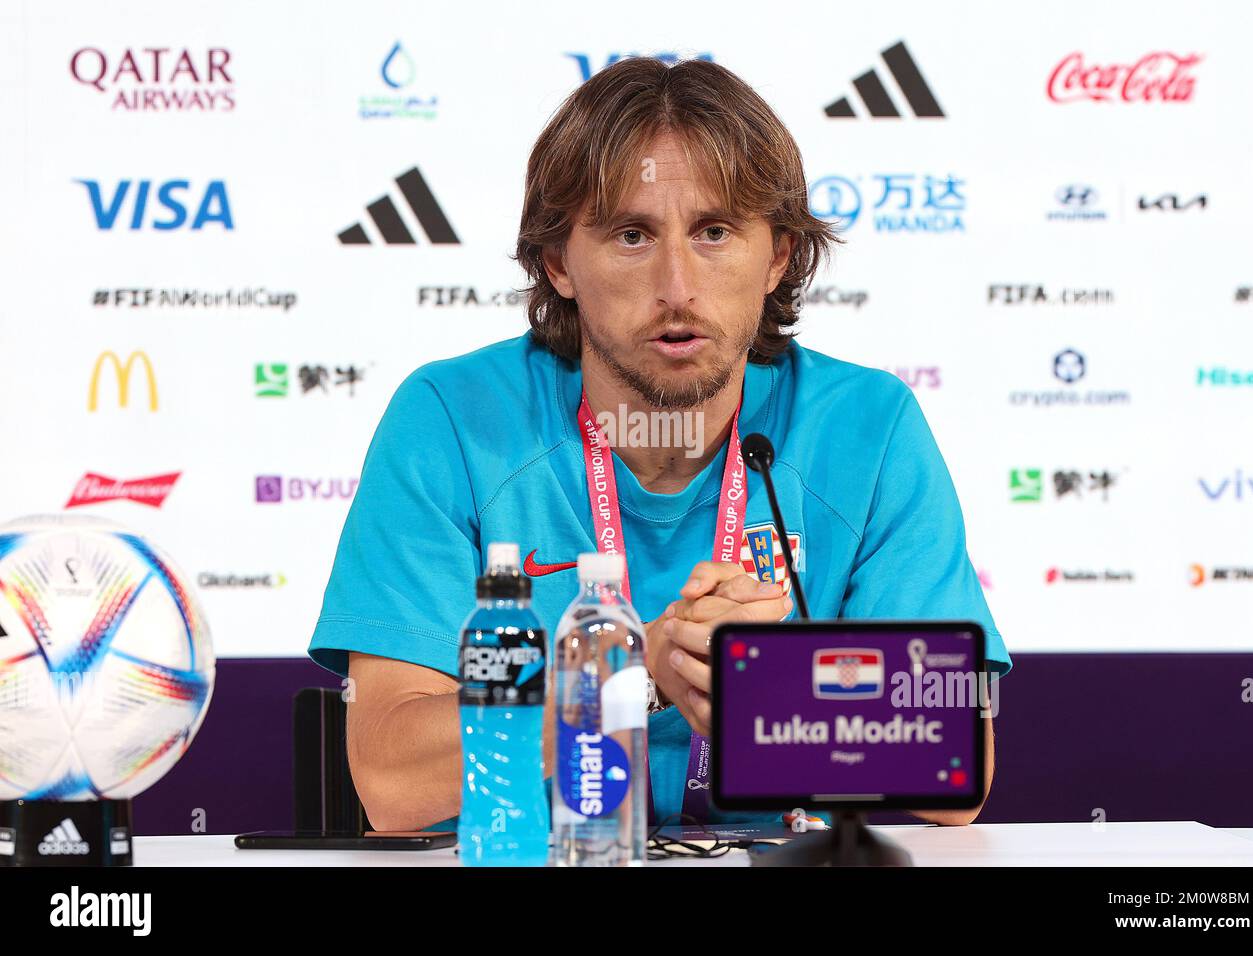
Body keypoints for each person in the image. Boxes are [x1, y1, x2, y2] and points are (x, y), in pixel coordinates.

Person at [308, 56, 1011, 832]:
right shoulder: (451, 419)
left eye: (714, 232)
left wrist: (764, 687)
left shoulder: (868, 426)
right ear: (558, 263)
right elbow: (392, 782)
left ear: (777, 255)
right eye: (632, 235)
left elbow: (955, 774)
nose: (677, 284)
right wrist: (632, 672)